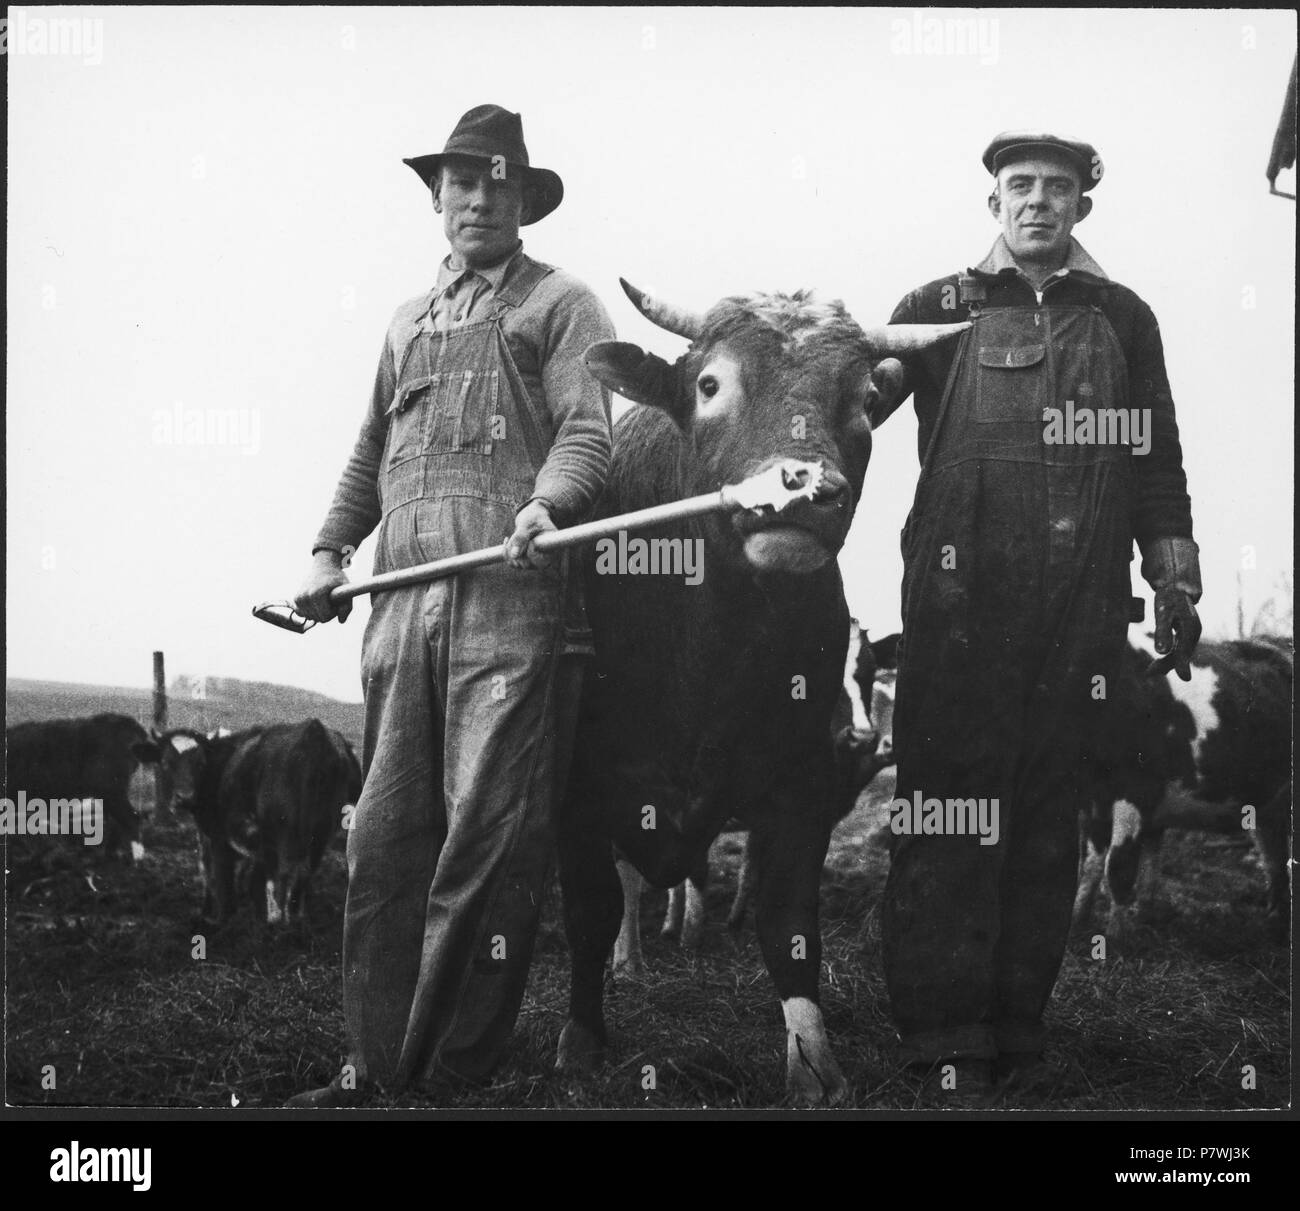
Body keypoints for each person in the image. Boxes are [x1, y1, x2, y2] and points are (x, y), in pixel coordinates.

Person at [287, 104, 614, 1106]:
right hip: (397, 610)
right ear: (438, 198)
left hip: (514, 603)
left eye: (498, 183)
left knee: (487, 845)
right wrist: (326, 549)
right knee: (383, 839)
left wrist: (543, 503)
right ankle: (372, 1064)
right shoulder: (405, 321)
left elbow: (587, 436)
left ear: (523, 198)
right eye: (460, 183)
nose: (477, 198)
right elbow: (365, 456)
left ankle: (450, 1072)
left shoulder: (561, 303)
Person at [872, 131, 1202, 1096]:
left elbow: (1158, 465)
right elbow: (852, 411)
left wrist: (1174, 579)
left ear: (1082, 209)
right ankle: (943, 1041)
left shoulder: (1124, 320)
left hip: (1082, 617)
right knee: (947, 815)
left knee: (1046, 822)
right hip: (957, 608)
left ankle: (1017, 1030)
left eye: (1058, 189)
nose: (1038, 202)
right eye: (1021, 186)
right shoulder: (932, 310)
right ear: (993, 203)